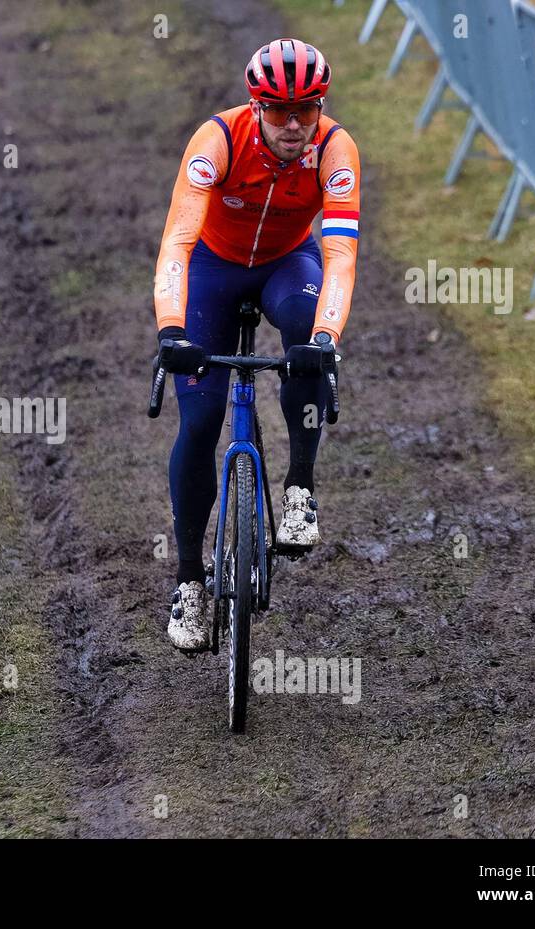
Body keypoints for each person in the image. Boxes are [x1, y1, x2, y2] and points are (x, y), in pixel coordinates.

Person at [153, 39, 361, 652]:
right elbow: (177, 243)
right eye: (279, 111)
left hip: (285, 265)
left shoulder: (336, 150)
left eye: (308, 108)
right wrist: (171, 330)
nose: (295, 125)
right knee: (199, 420)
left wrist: (325, 338)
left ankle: (299, 485)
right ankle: (191, 582)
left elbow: (341, 256)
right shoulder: (216, 140)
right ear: (256, 105)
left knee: (304, 323)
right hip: (213, 271)